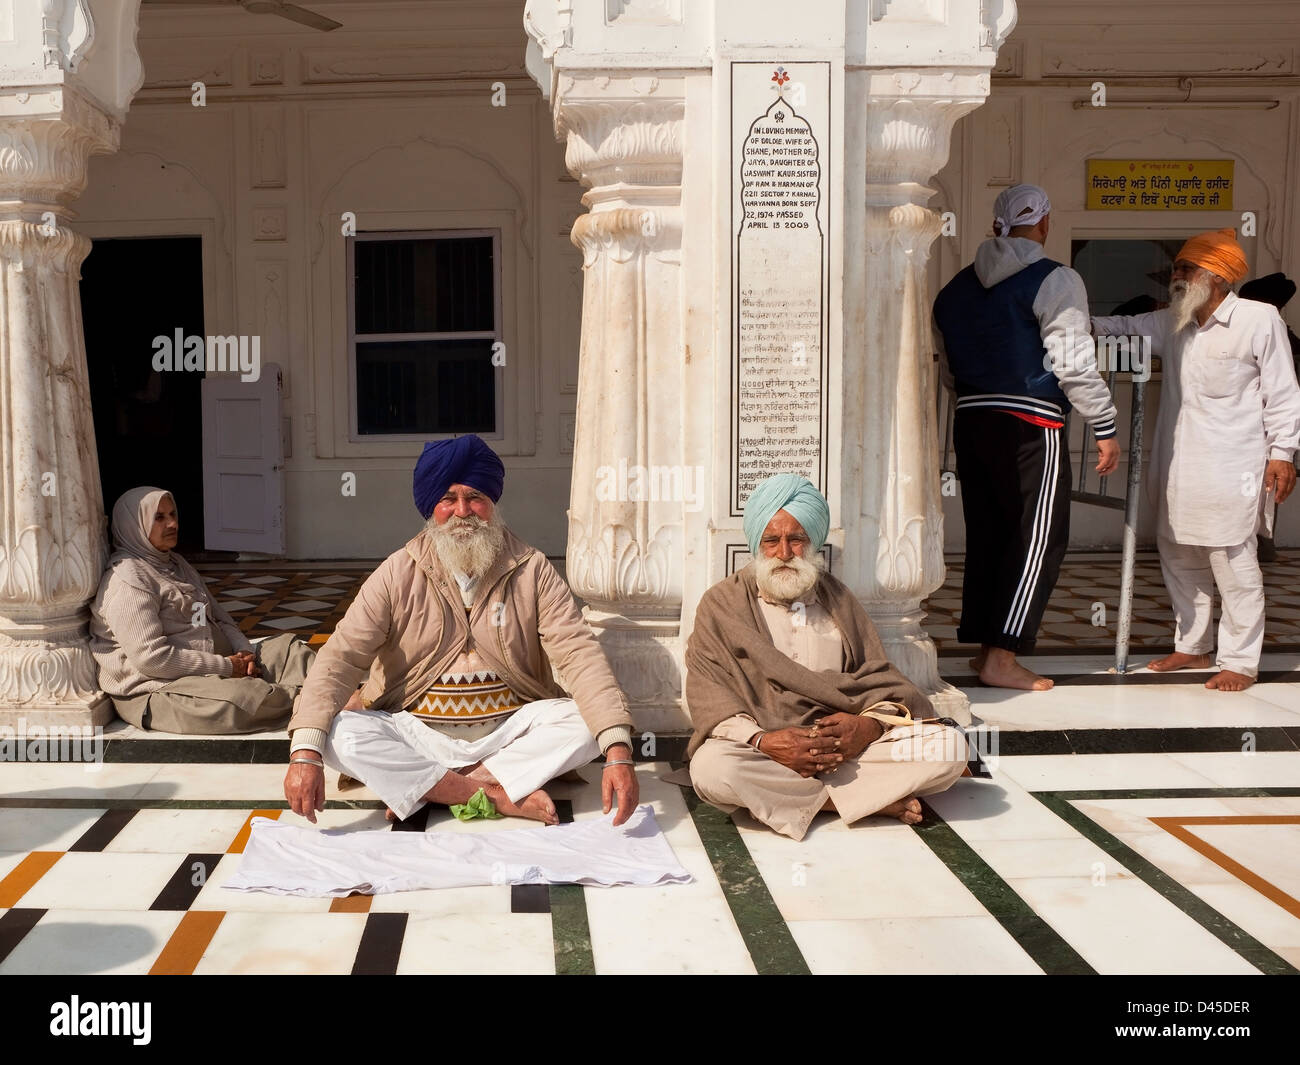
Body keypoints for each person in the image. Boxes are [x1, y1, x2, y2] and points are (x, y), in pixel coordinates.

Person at [282, 435, 639, 827]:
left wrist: (618, 752)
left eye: (475, 498)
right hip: (419, 734)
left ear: (493, 503)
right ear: (430, 507)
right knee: (339, 733)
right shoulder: (398, 571)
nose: (463, 511)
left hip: (508, 734)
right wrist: (304, 753)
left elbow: (578, 653)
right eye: (448, 499)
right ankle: (495, 795)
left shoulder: (531, 568)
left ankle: (434, 788)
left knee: (586, 724)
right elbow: (342, 657)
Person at [685, 474, 968, 841]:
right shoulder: (722, 604)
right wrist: (765, 742)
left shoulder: (838, 601)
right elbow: (708, 691)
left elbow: (879, 679)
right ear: (757, 543)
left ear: (813, 542)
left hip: (845, 753)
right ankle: (864, 802)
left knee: (948, 748)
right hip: (772, 753)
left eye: (796, 539)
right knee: (711, 770)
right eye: (771, 540)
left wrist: (865, 728)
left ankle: (816, 800)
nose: (784, 552)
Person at [933, 184, 1121, 691]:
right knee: (1037, 539)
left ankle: (986, 644)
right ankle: (1002, 654)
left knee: (990, 534)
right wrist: (1103, 424)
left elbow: (949, 368)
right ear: (1042, 224)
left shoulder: (954, 288)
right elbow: (1073, 360)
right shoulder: (1055, 278)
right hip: (1031, 422)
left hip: (972, 420)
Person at [1092, 231, 1300, 691]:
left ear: (1220, 276)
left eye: (1188, 269)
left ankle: (1241, 662)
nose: (1177, 277)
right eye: (1177, 269)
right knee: (1179, 554)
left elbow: (1283, 393)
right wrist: (1062, 322)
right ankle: (1192, 646)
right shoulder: (1175, 321)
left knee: (1233, 562)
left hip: (1234, 466)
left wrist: (1283, 455)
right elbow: (1118, 328)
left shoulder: (1259, 319)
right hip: (1177, 466)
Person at [90, 487, 315, 733]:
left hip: (217, 666)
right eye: (159, 517)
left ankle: (315, 694)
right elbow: (152, 659)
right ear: (134, 525)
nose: (172, 523)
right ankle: (313, 701)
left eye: (173, 514)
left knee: (289, 648)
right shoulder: (128, 579)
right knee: (241, 699)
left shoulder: (176, 564)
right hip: (160, 688)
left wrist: (244, 653)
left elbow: (219, 618)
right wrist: (227, 668)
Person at [1238, 272, 1300, 563]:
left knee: (1266, 483)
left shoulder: (1272, 327)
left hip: (1269, 424)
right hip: (1253, 424)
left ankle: (1261, 540)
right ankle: (1258, 540)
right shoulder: (1261, 326)